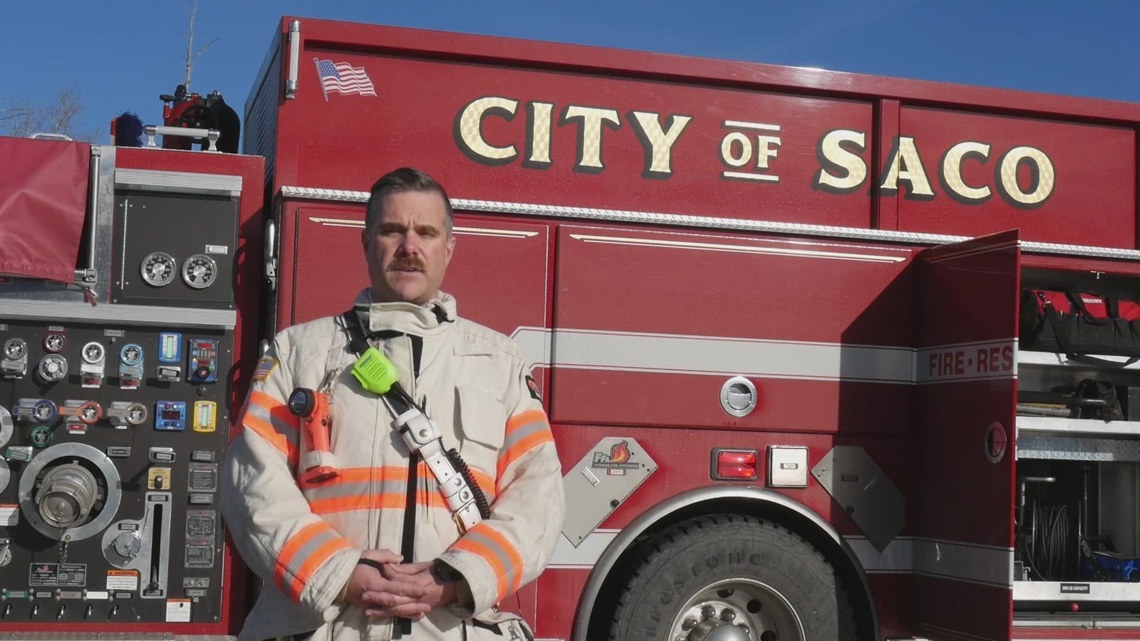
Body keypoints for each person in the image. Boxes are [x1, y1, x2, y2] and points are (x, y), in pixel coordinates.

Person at [220, 167, 565, 641]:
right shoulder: (297, 352)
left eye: (426, 232)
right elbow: (250, 486)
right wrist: (337, 573)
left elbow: (537, 496)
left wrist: (457, 576)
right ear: (366, 243)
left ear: (449, 247)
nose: (409, 246)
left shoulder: (499, 362)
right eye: (391, 230)